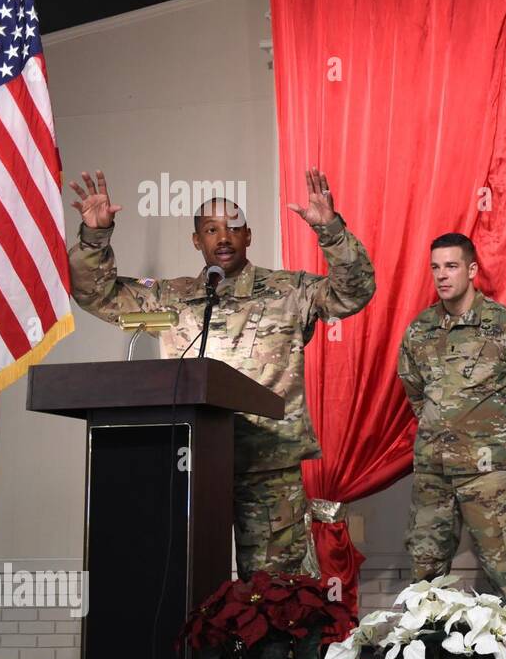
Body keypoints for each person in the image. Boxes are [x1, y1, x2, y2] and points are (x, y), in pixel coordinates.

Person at [67, 167, 376, 578]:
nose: (223, 237)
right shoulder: (169, 297)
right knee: (188, 584)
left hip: (268, 466)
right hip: (192, 461)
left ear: (248, 235)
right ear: (197, 240)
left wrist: (332, 231)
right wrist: (95, 236)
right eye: (211, 230)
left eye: (232, 228)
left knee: (275, 591)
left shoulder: (290, 290)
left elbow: (354, 292)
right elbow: (97, 293)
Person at [397, 233, 506, 610]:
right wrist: (444, 430)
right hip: (433, 472)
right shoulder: (419, 330)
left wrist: (493, 433)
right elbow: (415, 391)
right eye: (435, 267)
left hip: (488, 474)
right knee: (425, 575)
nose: (442, 275)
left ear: (472, 269)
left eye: (451, 266)